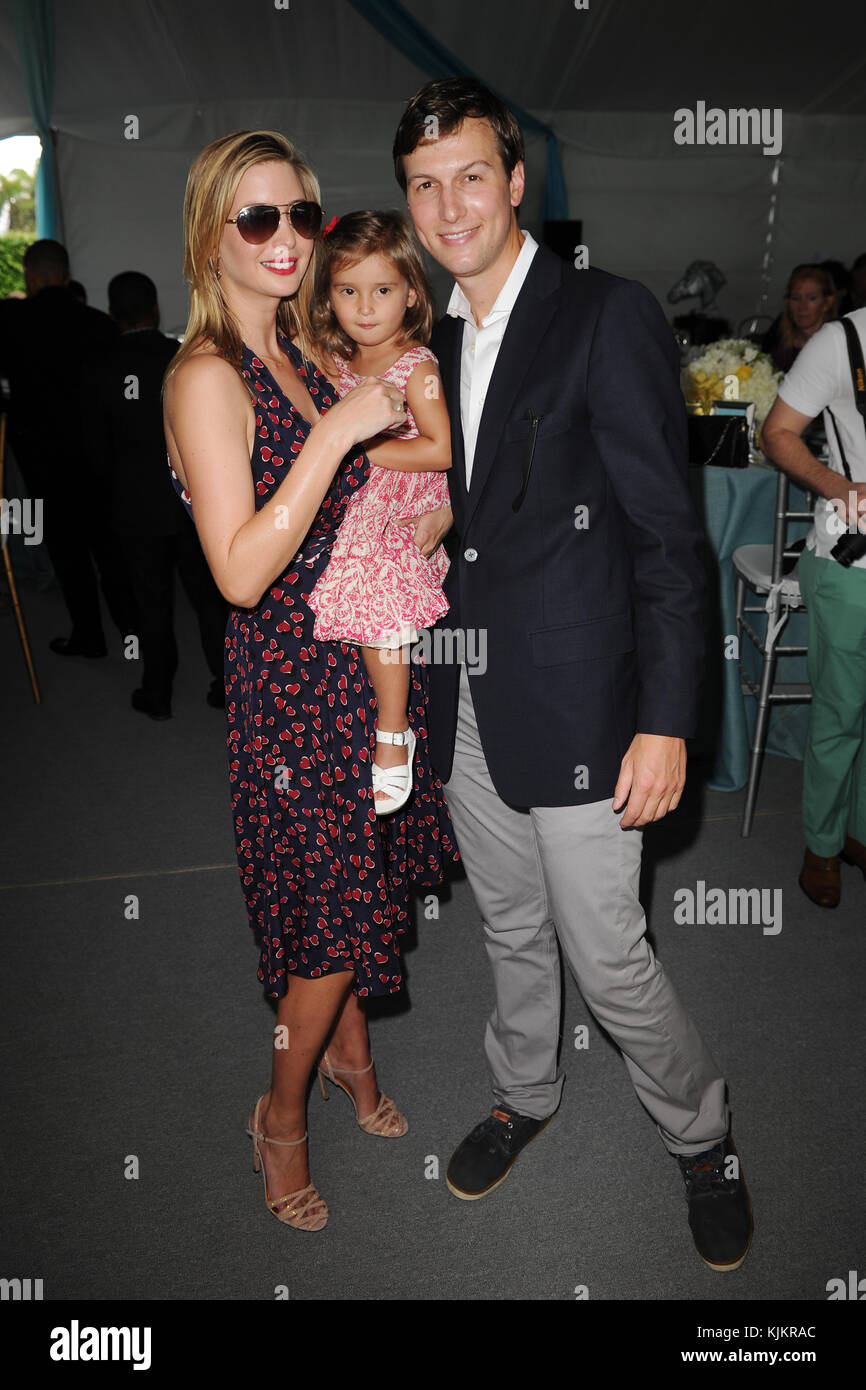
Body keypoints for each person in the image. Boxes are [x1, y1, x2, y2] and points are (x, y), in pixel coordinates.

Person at [393, 77, 753, 1272]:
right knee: (506, 923)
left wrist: (666, 720)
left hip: (587, 699)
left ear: (514, 181)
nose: (448, 205)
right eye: (423, 184)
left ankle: (701, 1138)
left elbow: (665, 537)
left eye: (469, 176)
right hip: (463, 691)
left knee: (605, 949)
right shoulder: (430, 342)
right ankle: (525, 1090)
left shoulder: (606, 312)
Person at [162, 130, 458, 1232]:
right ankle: (279, 1115)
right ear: (211, 236)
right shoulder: (207, 375)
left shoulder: (302, 344)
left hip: (357, 654)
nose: (286, 237)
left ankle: (349, 1057)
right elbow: (239, 574)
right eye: (257, 218)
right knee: (332, 919)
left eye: (301, 215)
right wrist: (335, 433)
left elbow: (391, 489)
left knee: (354, 889)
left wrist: (429, 518)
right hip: (291, 678)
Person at [306, 210, 451, 813]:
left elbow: (441, 449)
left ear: (412, 293)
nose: (365, 308)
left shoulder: (417, 365)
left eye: (383, 291)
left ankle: (394, 731)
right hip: (357, 497)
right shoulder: (335, 359)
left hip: (402, 499)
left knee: (379, 603)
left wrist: (359, 446)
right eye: (348, 291)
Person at [81, 270, 228, 719]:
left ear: (112, 313)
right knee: (208, 598)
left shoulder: (100, 368)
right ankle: (226, 684)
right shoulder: (185, 358)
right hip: (191, 501)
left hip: (134, 508)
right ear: (156, 309)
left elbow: (96, 454)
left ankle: (157, 691)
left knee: (151, 602)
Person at [761, 308, 866, 909]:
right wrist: (840, 488)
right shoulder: (842, 340)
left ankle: (857, 831)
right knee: (841, 712)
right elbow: (776, 432)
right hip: (853, 563)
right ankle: (823, 844)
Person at [0, 238, 138, 655]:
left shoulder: (11, 322)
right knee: (110, 550)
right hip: (98, 460)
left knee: (67, 553)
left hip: (42, 461)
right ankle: (133, 634)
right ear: (67, 276)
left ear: (30, 276)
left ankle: (89, 636)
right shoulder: (99, 325)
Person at [762, 264, 836, 373]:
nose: (802, 307)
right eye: (795, 299)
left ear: (827, 303)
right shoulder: (779, 344)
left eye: (812, 298)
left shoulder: (837, 346)